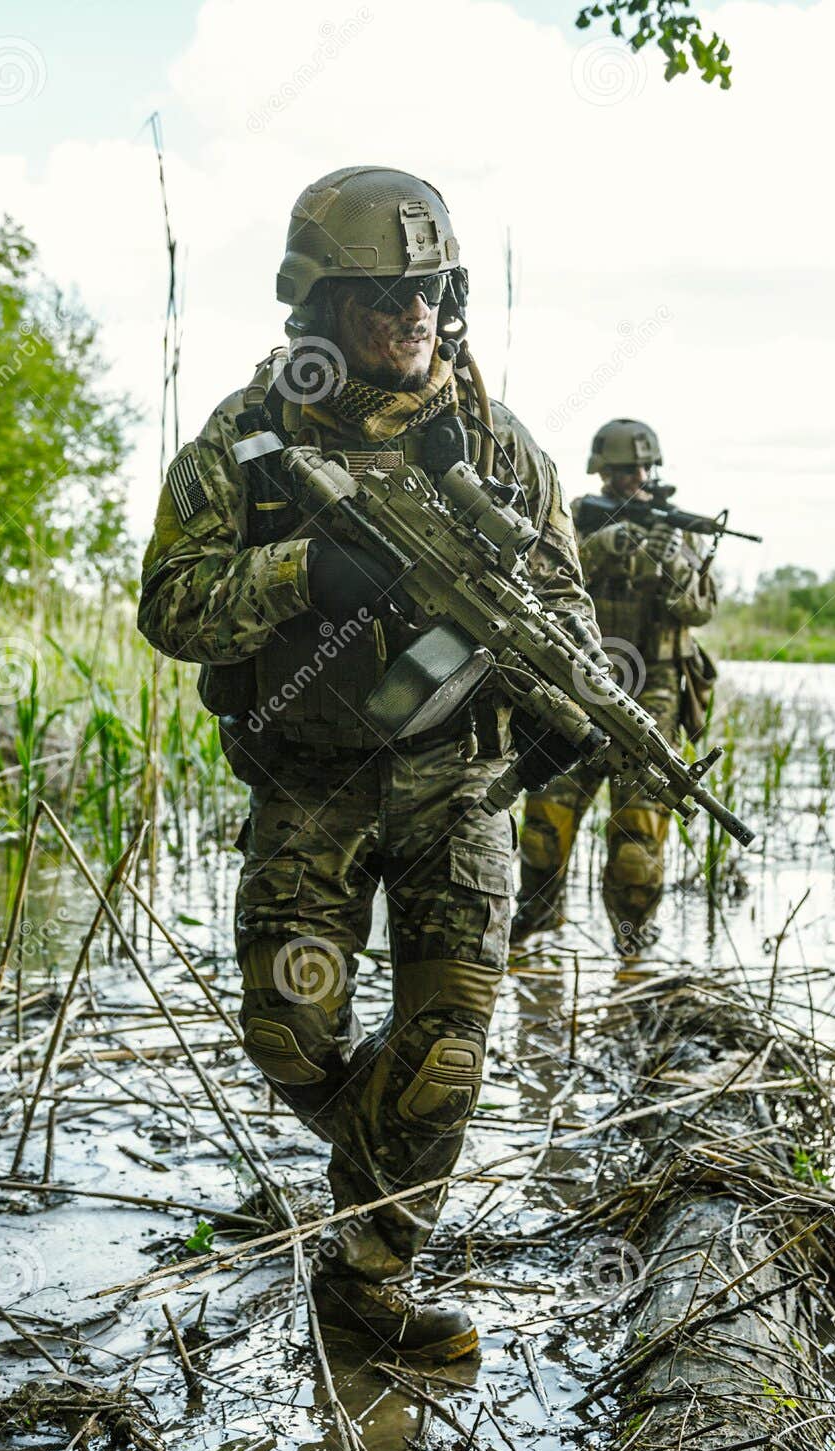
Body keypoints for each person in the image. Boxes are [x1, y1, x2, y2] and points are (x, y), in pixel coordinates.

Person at [137, 166, 596, 1362]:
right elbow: (169, 606)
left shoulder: (495, 445)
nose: (412, 316)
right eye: (381, 296)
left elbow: (563, 607)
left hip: (457, 785)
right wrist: (299, 577)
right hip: (307, 781)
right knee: (287, 1035)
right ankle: (382, 1158)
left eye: (430, 292)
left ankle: (364, 1282)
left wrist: (561, 715)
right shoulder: (247, 438)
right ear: (320, 305)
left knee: (446, 1044)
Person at [513, 417, 717, 948]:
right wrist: (601, 549)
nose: (638, 477)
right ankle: (536, 937)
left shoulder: (678, 530)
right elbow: (538, 583)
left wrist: (667, 558)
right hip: (580, 682)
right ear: (603, 471)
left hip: (656, 692)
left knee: (637, 843)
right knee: (544, 829)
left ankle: (632, 953)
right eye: (627, 469)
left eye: (646, 468)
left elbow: (697, 610)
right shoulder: (572, 518)